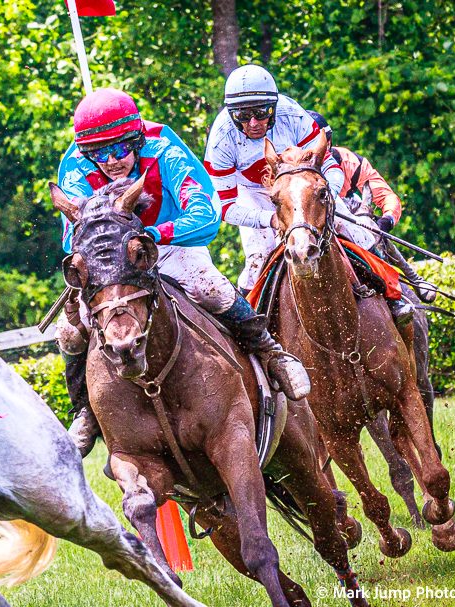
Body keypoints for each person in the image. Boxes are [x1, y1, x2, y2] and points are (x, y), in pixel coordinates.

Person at [55, 87, 310, 456]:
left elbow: (206, 215)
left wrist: (150, 235)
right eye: (99, 153)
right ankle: (84, 411)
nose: (110, 161)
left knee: (212, 288)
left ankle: (272, 354)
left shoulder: (166, 151)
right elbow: (70, 238)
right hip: (110, 261)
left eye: (119, 150)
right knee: (68, 331)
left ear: (136, 139)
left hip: (168, 243)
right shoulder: (76, 166)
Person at [203, 65, 413, 326]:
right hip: (253, 194)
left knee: (359, 231)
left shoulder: (293, 114)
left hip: (304, 187)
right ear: (230, 113)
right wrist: (271, 219)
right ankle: (251, 331)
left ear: (274, 107)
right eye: (242, 116)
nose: (253, 123)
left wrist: (325, 197)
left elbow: (331, 167)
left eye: (260, 113)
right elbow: (225, 208)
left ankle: (394, 297)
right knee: (258, 256)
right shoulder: (220, 138)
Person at [306, 110, 438, 304]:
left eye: (322, 146)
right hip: (307, 226)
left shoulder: (350, 162)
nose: (317, 155)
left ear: (330, 142)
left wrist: (386, 220)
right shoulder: (291, 172)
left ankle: (411, 282)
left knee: (371, 227)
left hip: (349, 219)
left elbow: (386, 196)